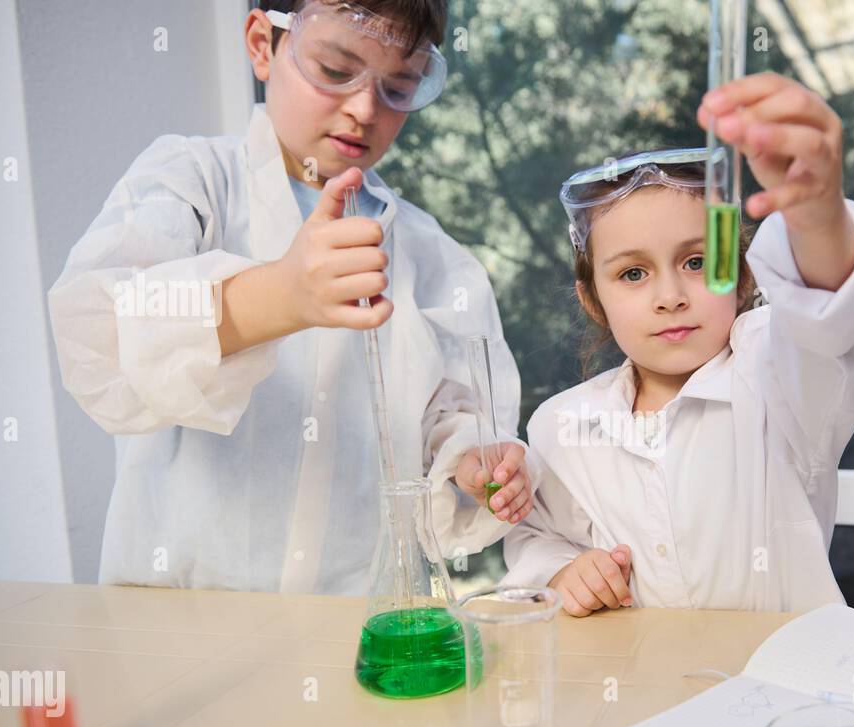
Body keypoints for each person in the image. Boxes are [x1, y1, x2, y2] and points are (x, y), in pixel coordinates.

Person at [47, 0, 535, 594]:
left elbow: (454, 420)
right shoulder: (192, 181)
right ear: (262, 44)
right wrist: (278, 296)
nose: (363, 109)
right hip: (178, 624)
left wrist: (473, 463)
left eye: (399, 86)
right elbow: (96, 335)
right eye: (335, 70)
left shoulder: (437, 260)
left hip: (355, 627)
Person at [502, 73, 854, 616]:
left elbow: (830, 316)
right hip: (639, 688)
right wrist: (563, 570)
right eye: (633, 274)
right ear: (593, 299)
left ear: (742, 277)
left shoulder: (773, 373)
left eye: (696, 262)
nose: (669, 296)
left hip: (777, 686)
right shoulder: (561, 425)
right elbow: (536, 536)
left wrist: (817, 213)